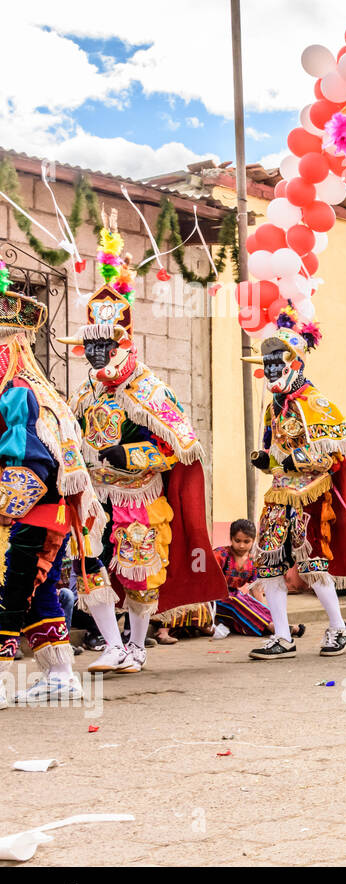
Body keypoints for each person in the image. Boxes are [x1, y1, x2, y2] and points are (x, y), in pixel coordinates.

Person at [59, 212, 226, 677]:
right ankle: (111, 644)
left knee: (138, 570)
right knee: (90, 562)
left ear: (120, 342)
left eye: (100, 345)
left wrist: (128, 454)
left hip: (138, 490)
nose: (92, 354)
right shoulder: (87, 391)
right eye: (88, 346)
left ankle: (135, 646)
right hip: (96, 491)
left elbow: (182, 445)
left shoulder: (146, 387)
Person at [245, 305, 346, 659]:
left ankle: (338, 626)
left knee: (313, 565)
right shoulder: (275, 408)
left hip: (312, 497)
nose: (269, 371)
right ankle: (282, 636)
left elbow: (336, 455)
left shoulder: (316, 403)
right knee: (269, 563)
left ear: (295, 364)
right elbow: (276, 453)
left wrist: (294, 460)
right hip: (279, 494)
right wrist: (266, 460)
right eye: (265, 365)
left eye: (274, 364)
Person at [0, 263, 107, 704]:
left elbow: (28, 463)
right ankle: (60, 674)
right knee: (40, 590)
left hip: (29, 513)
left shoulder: (15, 391)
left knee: (10, 592)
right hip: (55, 514)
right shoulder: (40, 389)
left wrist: (7, 510)